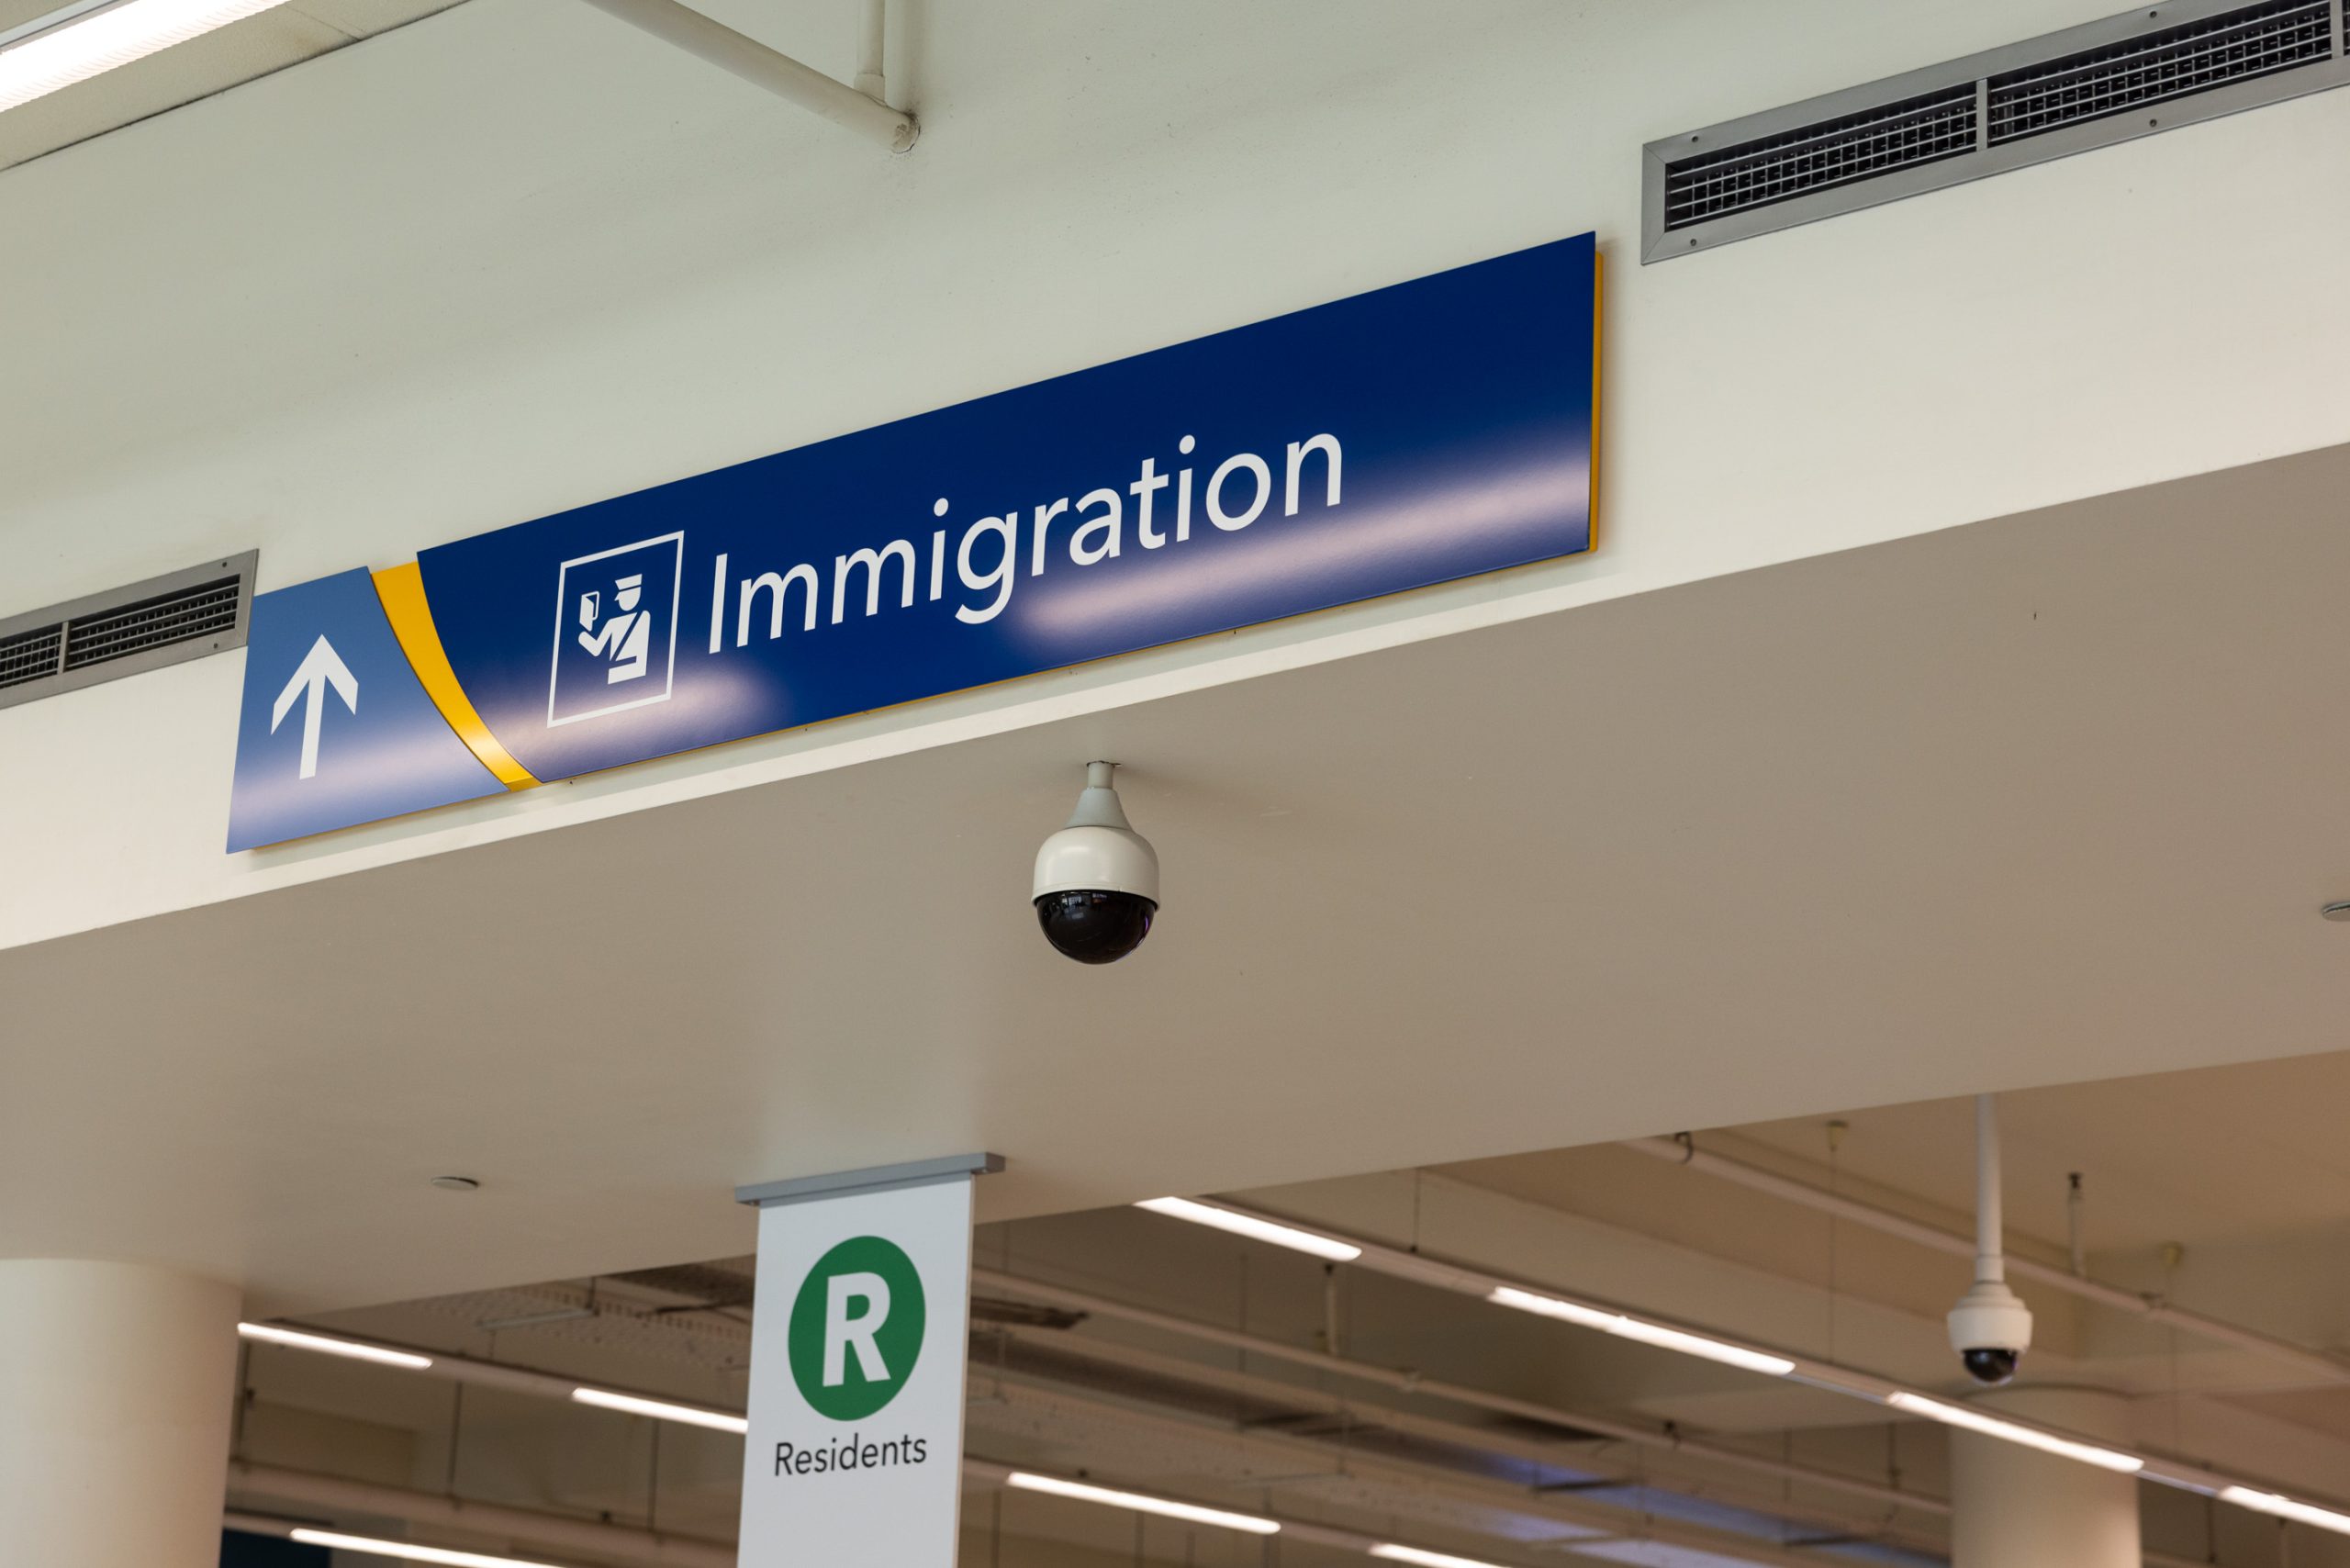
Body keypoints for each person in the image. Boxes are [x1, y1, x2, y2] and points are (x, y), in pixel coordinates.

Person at [577, 574, 652, 684]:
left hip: (622, 672)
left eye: (622, 597)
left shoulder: (640, 618)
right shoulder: (644, 616)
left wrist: (582, 636)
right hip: (628, 672)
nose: (619, 601)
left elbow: (596, 649)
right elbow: (597, 649)